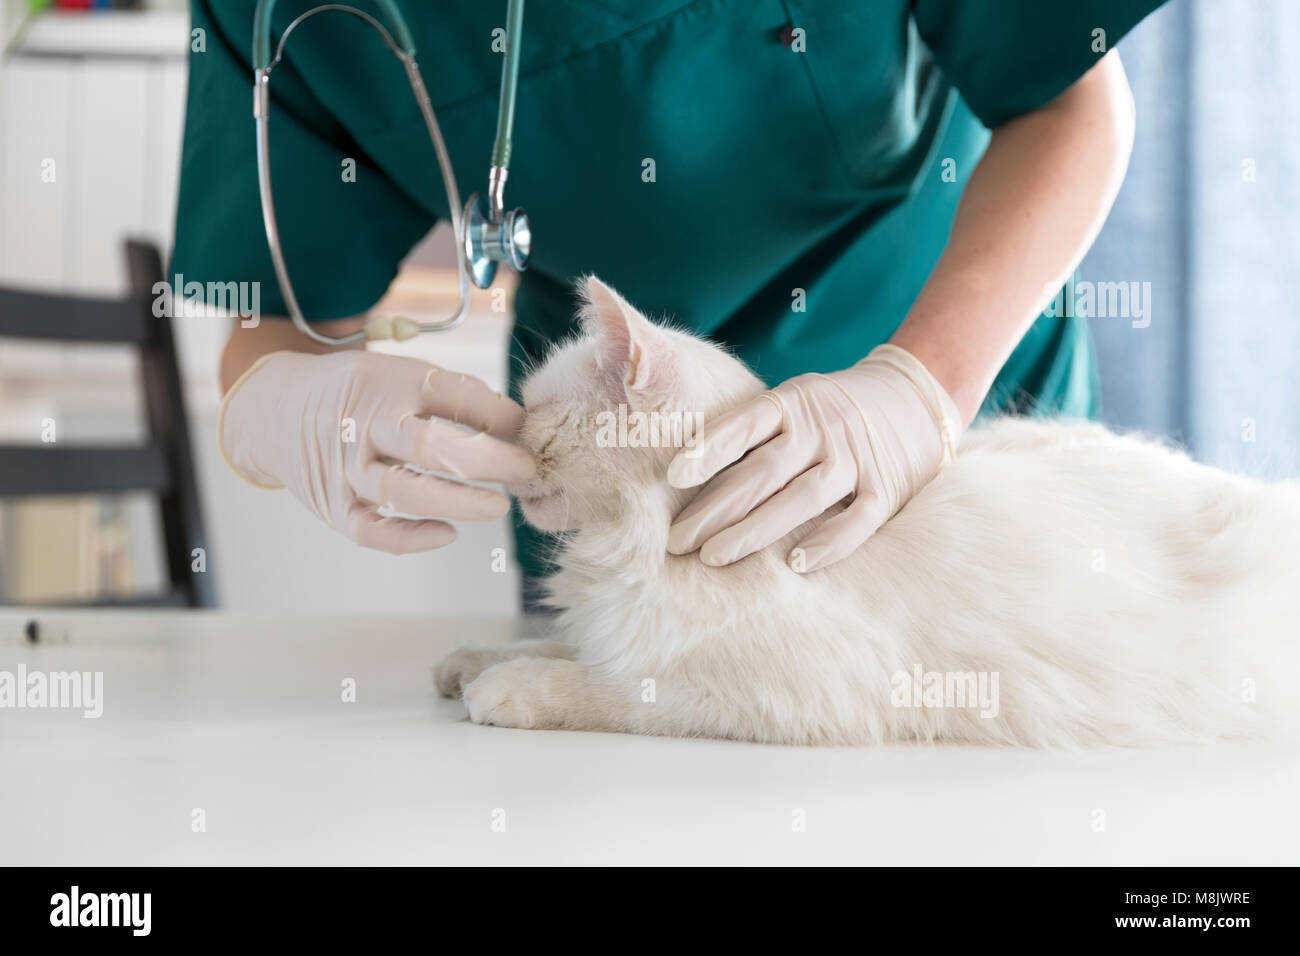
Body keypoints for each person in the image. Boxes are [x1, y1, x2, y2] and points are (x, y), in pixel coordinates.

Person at [174, 1, 1166, 601]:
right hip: (612, 500)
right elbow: (272, 318)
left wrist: (918, 389)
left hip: (938, 412)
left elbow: (1077, 103)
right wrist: (282, 407)